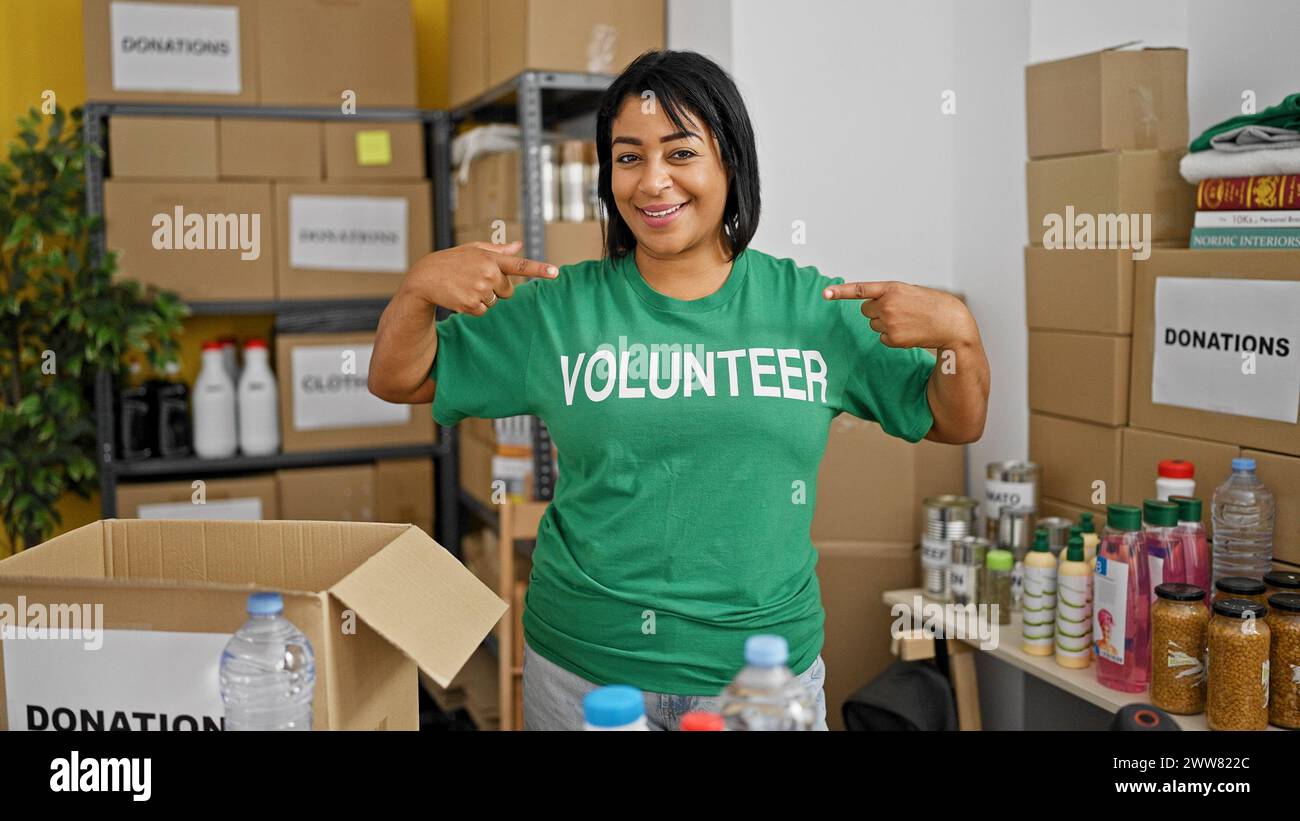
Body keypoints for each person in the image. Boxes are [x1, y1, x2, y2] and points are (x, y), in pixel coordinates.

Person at [369, 49, 990, 730]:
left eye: (680, 152)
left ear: (731, 161)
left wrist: (959, 334)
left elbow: (953, 419)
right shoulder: (560, 309)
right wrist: (418, 290)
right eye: (628, 157)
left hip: (758, 680)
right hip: (583, 674)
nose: (652, 182)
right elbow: (401, 377)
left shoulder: (812, 307)